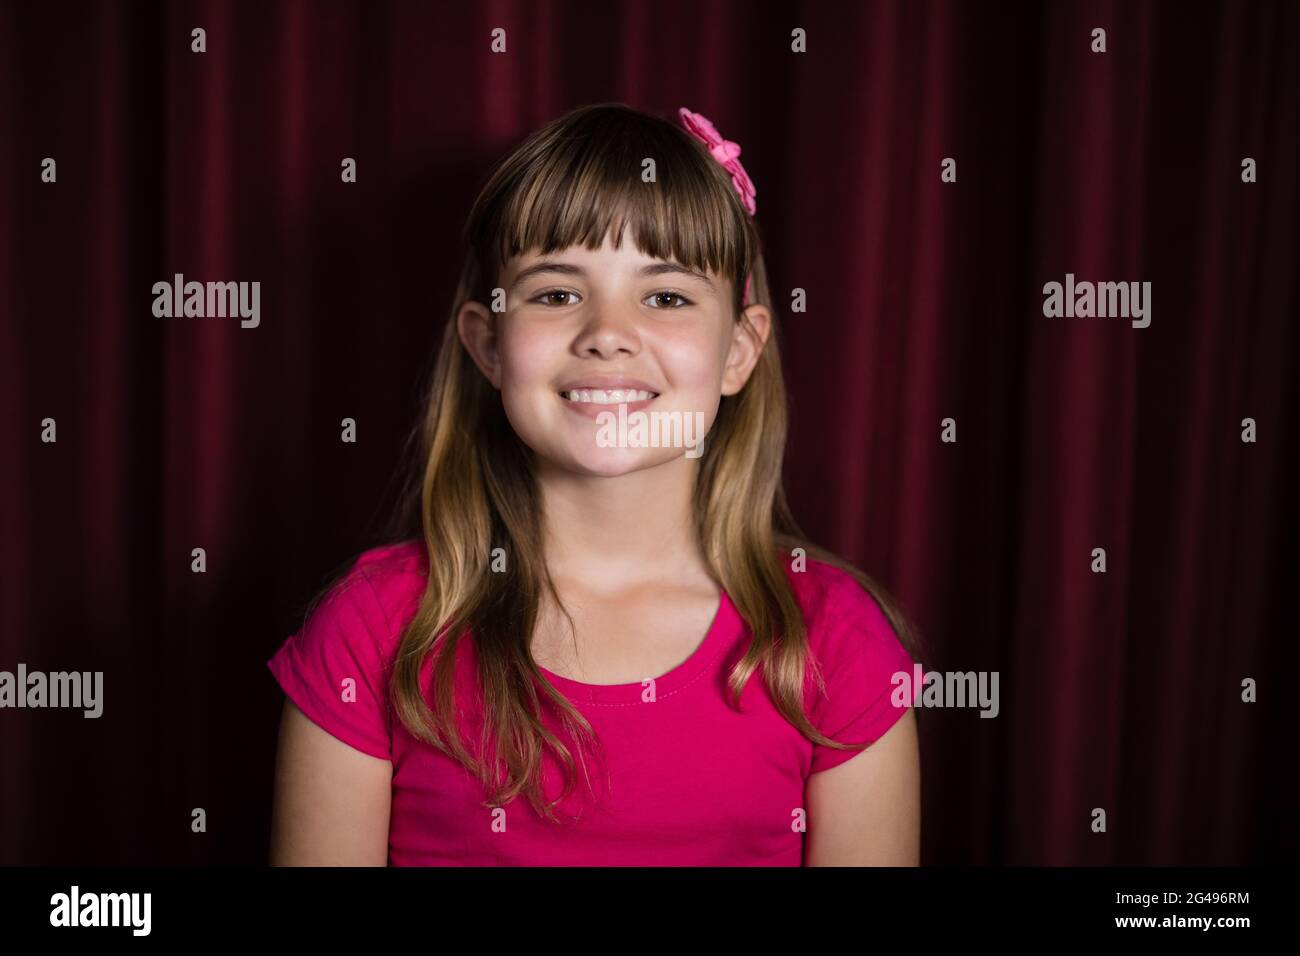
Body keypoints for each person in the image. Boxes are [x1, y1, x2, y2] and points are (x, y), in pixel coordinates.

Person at [267, 102, 922, 866]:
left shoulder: (838, 645)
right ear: (488, 345)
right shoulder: (372, 632)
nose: (608, 333)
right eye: (556, 293)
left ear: (739, 351)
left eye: (666, 296)